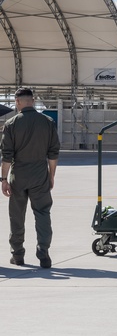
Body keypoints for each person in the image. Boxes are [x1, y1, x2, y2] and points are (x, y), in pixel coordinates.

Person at [1, 87, 60, 268]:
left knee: (17, 215)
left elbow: (7, 156)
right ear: (32, 101)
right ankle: (43, 251)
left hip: (19, 176)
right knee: (43, 213)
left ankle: (18, 254)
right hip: (40, 174)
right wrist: (51, 177)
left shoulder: (11, 124)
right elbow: (53, 154)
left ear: (18, 102)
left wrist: (4, 180)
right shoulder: (48, 122)